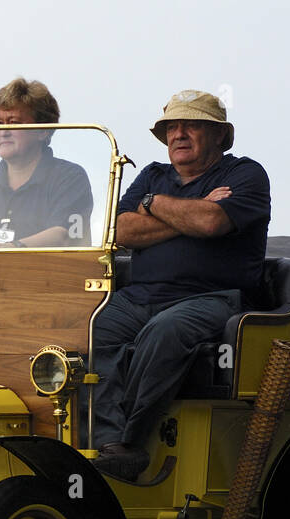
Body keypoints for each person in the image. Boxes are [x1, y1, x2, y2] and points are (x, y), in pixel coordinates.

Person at [91, 89, 271, 481]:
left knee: (165, 332)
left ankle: (130, 444)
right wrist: (191, 209)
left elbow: (211, 223)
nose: (179, 134)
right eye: (172, 126)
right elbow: (121, 229)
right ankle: (101, 443)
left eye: (192, 125)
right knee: (89, 329)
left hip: (214, 299)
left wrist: (153, 206)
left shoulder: (245, 174)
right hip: (140, 295)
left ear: (219, 135)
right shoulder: (153, 176)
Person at [0, 78, 93, 248]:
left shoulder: (70, 178)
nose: (3, 131)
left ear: (43, 131)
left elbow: (66, 236)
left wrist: (13, 248)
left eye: (13, 122)